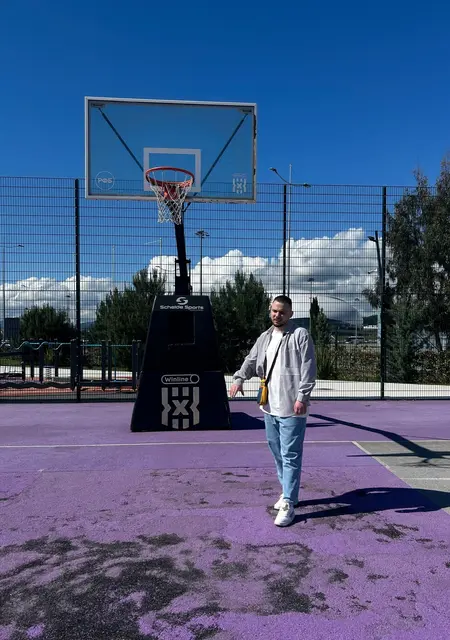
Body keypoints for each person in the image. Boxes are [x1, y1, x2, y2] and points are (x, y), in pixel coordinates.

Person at [230, 295, 317, 527]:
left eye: (282, 312)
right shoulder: (265, 337)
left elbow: (309, 368)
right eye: (274, 311)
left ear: (290, 314)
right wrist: (239, 379)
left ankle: (288, 502)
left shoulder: (300, 335)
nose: (277, 315)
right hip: (269, 406)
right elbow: (251, 361)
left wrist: (302, 397)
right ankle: (289, 492)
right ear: (270, 310)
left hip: (292, 407)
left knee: (290, 455)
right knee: (277, 452)